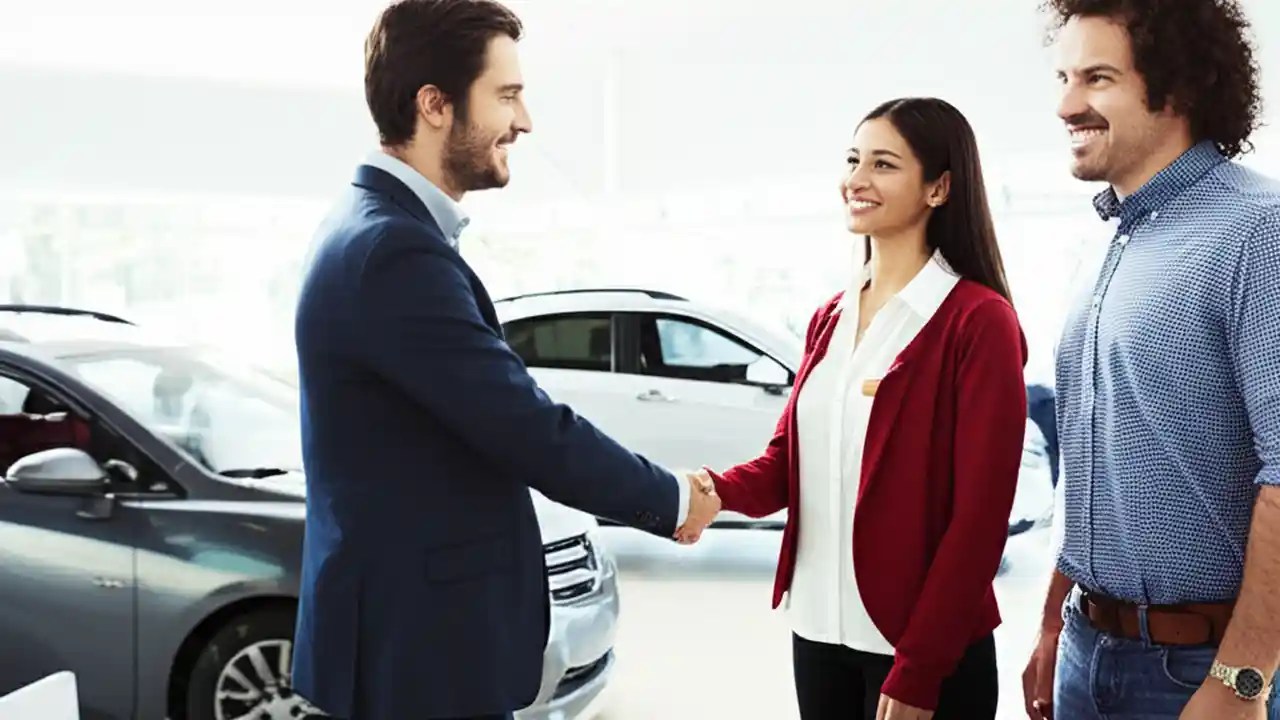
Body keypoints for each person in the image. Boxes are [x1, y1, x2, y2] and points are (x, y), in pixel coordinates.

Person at [289, 1, 720, 718]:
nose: (525, 122)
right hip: (419, 649)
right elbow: (522, 424)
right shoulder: (392, 251)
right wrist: (674, 498)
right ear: (434, 104)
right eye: (508, 94)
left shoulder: (372, 228)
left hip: (412, 637)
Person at [686, 97, 1028, 720]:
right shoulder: (830, 317)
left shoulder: (978, 322)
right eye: (852, 159)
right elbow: (788, 463)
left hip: (919, 652)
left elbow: (979, 523)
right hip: (816, 633)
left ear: (939, 187)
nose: (856, 179)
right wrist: (712, 492)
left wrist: (920, 671)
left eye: (883, 164)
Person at [1021, 1, 1280, 719]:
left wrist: (1242, 682)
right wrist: (1051, 621)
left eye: (1097, 78)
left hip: (1201, 668)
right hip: (1085, 643)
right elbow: (1093, 462)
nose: (1067, 104)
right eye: (1064, 77)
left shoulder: (1260, 230)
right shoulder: (1110, 241)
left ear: (1181, 88)